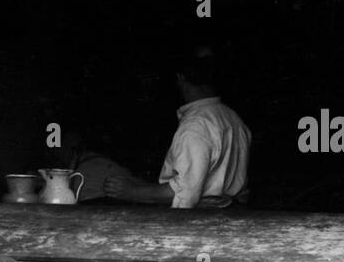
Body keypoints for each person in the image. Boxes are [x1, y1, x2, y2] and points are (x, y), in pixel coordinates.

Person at [103, 47, 251, 208]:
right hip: (230, 216)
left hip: (202, 223)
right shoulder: (232, 117)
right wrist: (137, 184)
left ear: (180, 77)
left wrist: (130, 191)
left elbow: (184, 195)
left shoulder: (196, 125)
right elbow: (212, 182)